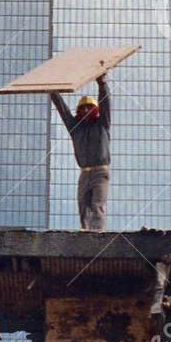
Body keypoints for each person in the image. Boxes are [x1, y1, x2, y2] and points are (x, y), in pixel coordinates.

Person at [51, 75, 111, 231]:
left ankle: (97, 235)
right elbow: (63, 110)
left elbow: (106, 104)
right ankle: (84, 233)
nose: (85, 110)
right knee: (83, 205)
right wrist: (52, 92)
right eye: (82, 108)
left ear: (95, 110)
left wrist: (102, 83)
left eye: (89, 107)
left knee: (97, 205)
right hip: (84, 172)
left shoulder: (102, 123)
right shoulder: (75, 128)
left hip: (100, 171)